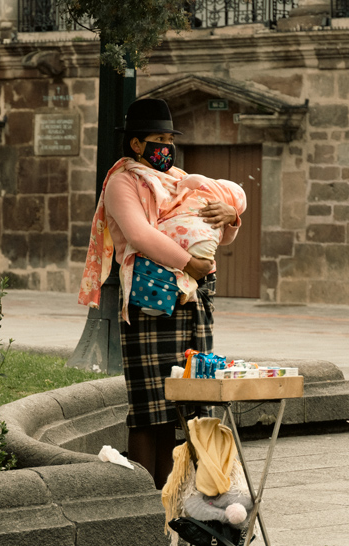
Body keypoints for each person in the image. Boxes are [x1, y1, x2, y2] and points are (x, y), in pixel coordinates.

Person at [78, 98, 244, 488]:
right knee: (149, 407)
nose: (166, 146)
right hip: (150, 301)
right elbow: (139, 234)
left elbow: (215, 231)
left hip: (194, 299)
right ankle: (143, 502)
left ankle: (171, 500)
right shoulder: (122, 181)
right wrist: (187, 264)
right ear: (136, 144)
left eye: (170, 138)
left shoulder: (181, 178)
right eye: (158, 138)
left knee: (181, 403)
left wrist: (229, 217)